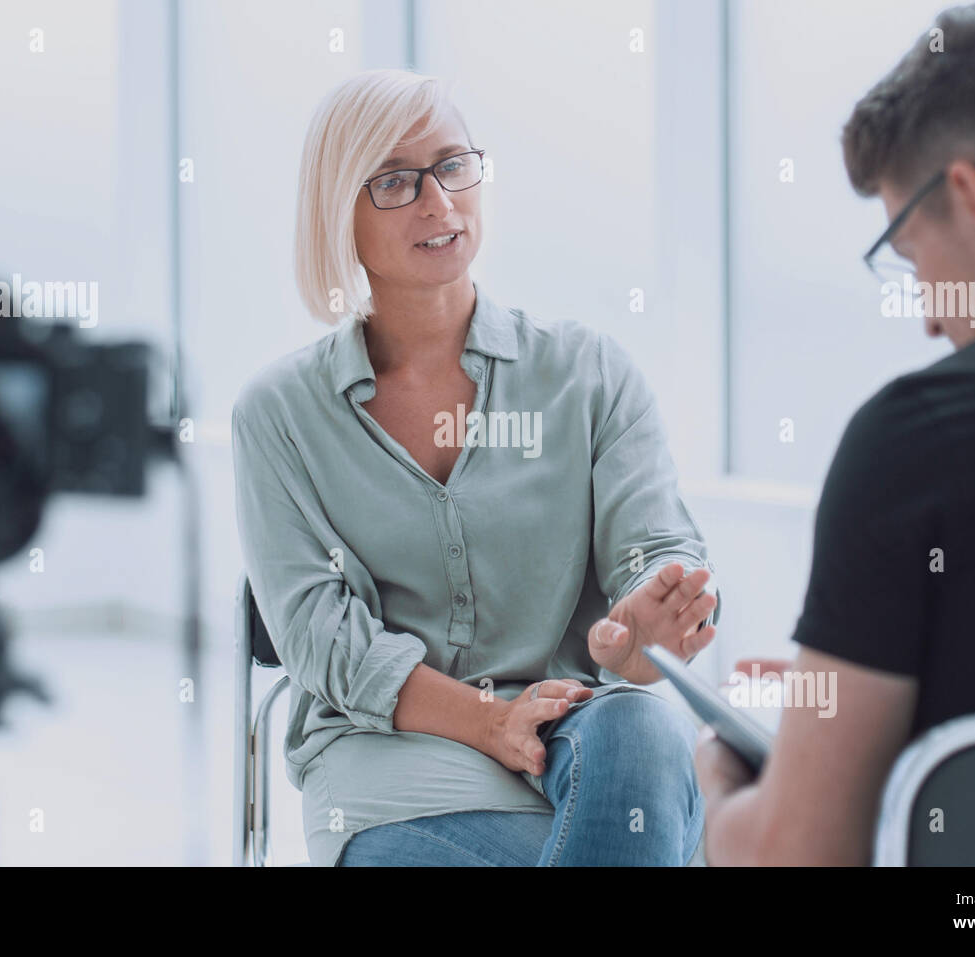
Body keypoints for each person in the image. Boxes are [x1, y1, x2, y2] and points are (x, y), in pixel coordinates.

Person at [233, 68, 720, 866]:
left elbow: (657, 546)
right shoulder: (280, 414)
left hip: (578, 737)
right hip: (387, 760)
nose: (439, 201)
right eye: (395, 180)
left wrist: (644, 628)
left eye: (454, 165)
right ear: (337, 211)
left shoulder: (589, 373)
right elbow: (321, 639)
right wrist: (488, 720)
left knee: (641, 728)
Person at [695, 3, 975, 865]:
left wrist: (717, 777)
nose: (932, 319)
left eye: (908, 254)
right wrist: (850, 714)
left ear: (973, 198)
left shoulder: (924, 434)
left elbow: (802, 854)